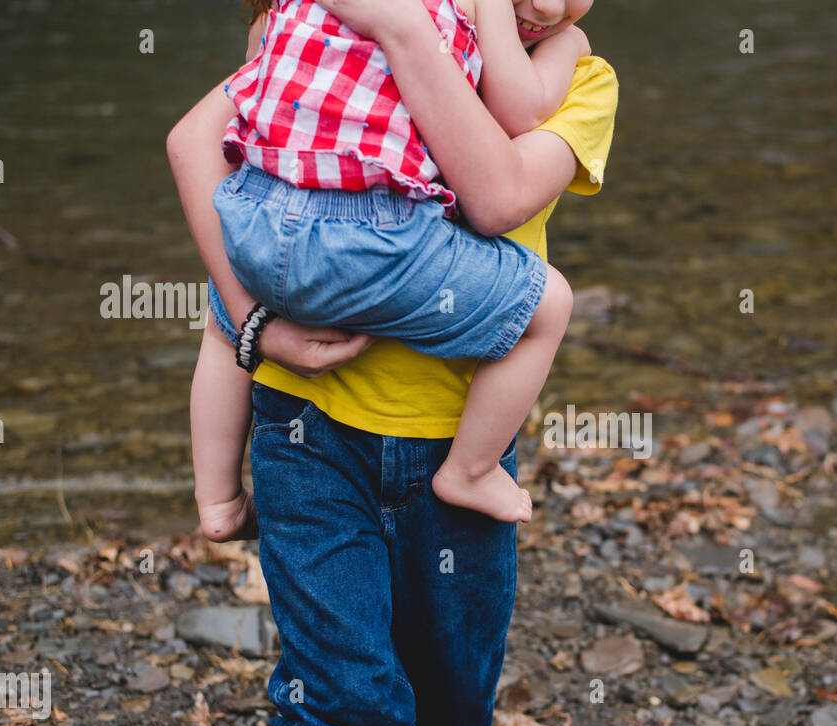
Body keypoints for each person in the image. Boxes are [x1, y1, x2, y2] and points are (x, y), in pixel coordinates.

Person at [166, 0, 615, 726]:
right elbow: (196, 145)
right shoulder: (344, 30)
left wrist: (415, 32)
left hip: (451, 438)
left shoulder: (581, 78)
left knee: (451, 705)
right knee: (333, 699)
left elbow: (497, 200)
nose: (551, 3)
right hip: (310, 432)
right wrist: (257, 322)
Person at [191, 0, 593, 539]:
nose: (546, 5)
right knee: (547, 306)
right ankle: (471, 470)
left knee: (223, 328)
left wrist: (249, 322)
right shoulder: (466, 10)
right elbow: (517, 120)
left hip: (260, 213)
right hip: (368, 239)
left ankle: (216, 500)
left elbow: (211, 125)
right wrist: (567, 45)